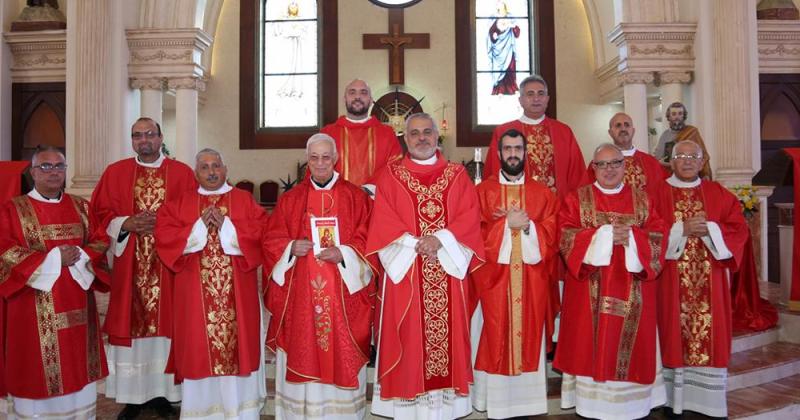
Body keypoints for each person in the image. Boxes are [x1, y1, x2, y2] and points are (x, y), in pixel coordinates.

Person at [366, 113, 485, 419]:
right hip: (406, 270)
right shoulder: (390, 176)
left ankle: (445, 412)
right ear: (405, 139)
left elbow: (469, 217)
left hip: (446, 269)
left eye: (427, 132)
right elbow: (382, 221)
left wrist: (440, 239)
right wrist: (416, 244)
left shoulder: (458, 175)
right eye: (415, 133)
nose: (421, 138)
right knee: (407, 339)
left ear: (437, 136)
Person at [264, 133, 376, 419]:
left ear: (336, 159)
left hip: (343, 298)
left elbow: (371, 240)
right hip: (301, 297)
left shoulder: (356, 197)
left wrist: (346, 253)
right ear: (307, 160)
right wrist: (291, 247)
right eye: (314, 157)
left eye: (326, 157)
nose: (320, 163)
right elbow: (271, 239)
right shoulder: (291, 199)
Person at [90, 117, 196, 418]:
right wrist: (126, 223)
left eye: (150, 134)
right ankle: (134, 397)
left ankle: (165, 394)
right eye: (137, 135)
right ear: (132, 140)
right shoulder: (116, 172)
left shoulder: (181, 173)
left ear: (161, 138)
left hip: (168, 267)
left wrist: (163, 227)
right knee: (132, 328)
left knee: (168, 328)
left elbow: (192, 215)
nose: (144, 140)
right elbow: (99, 214)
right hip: (130, 267)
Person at [554, 143, 668, 420]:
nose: (609, 170)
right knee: (588, 343)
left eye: (615, 163)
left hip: (634, 288)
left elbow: (658, 236)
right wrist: (604, 236)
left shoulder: (643, 200)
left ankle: (632, 406)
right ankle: (592, 405)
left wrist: (632, 238)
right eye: (602, 164)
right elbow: (566, 236)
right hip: (588, 290)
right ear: (593, 168)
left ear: (624, 166)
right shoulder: (576, 199)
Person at [154, 148, 268, 419]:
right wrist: (197, 228)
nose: (211, 172)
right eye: (204, 167)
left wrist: (228, 227)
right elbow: (165, 238)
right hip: (194, 298)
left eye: (216, 165)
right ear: (196, 173)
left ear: (226, 169)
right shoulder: (180, 204)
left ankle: (240, 412)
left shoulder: (244, 200)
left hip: (237, 294)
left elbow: (262, 233)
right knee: (197, 349)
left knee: (239, 345)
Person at [0, 146, 109, 419]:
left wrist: (80, 254)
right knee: (36, 371)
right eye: (45, 167)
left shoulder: (81, 206)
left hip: (76, 299)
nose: (53, 173)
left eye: (59, 166)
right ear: (33, 172)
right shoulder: (13, 210)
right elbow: (5, 250)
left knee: (76, 366)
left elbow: (99, 239)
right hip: (32, 306)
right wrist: (52, 260)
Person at [471, 128, 559, 418]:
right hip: (493, 285)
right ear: (498, 154)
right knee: (492, 334)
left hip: (531, 284)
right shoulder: (482, 192)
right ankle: (490, 402)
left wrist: (528, 227)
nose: (512, 154)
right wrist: (504, 225)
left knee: (529, 337)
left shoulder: (542, 193)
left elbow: (553, 235)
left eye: (517, 149)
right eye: (507, 149)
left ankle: (528, 405)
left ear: (525, 153)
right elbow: (472, 236)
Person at [656, 140, 748, 418]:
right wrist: (680, 230)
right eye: (680, 156)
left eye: (692, 156)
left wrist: (709, 230)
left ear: (702, 161)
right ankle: (672, 399)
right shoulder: (657, 193)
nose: (686, 161)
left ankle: (707, 403)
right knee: (671, 333)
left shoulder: (718, 193)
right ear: (671, 161)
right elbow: (648, 233)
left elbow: (739, 230)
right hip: (670, 285)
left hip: (712, 283)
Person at [484, 74, 586, 199]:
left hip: (559, 210)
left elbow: (577, 175)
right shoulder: (503, 132)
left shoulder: (563, 132)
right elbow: (494, 173)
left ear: (547, 99)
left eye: (541, 93)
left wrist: (572, 208)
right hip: (519, 209)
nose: (536, 98)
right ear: (520, 100)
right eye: (530, 94)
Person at [320, 79, 402, 191]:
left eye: (363, 92)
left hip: (376, 201)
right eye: (352, 92)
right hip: (337, 199)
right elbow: (318, 168)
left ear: (371, 99)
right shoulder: (327, 134)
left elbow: (395, 166)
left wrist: (369, 189)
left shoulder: (387, 134)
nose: (357, 97)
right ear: (345, 98)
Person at [586, 112, 667, 197]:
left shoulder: (651, 162)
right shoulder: (599, 164)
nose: (623, 129)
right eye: (618, 125)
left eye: (627, 125)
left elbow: (662, 194)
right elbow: (589, 195)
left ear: (633, 130)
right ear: (610, 132)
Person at [653, 102, 712, 179]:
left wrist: (705, 173)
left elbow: (703, 155)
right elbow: (658, 157)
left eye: (680, 113)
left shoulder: (692, 132)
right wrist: (662, 163)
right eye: (674, 114)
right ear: (669, 117)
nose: (677, 117)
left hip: (690, 174)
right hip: (670, 176)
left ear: (684, 116)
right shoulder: (665, 135)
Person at [487, 0, 520, 95]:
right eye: (498, 8)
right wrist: (494, 36)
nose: (500, 10)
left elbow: (517, 32)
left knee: (510, 67)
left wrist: (513, 26)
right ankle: (499, 90)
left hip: (508, 47)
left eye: (502, 8)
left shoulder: (510, 18)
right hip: (498, 50)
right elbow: (491, 32)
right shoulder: (495, 19)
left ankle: (512, 88)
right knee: (499, 71)